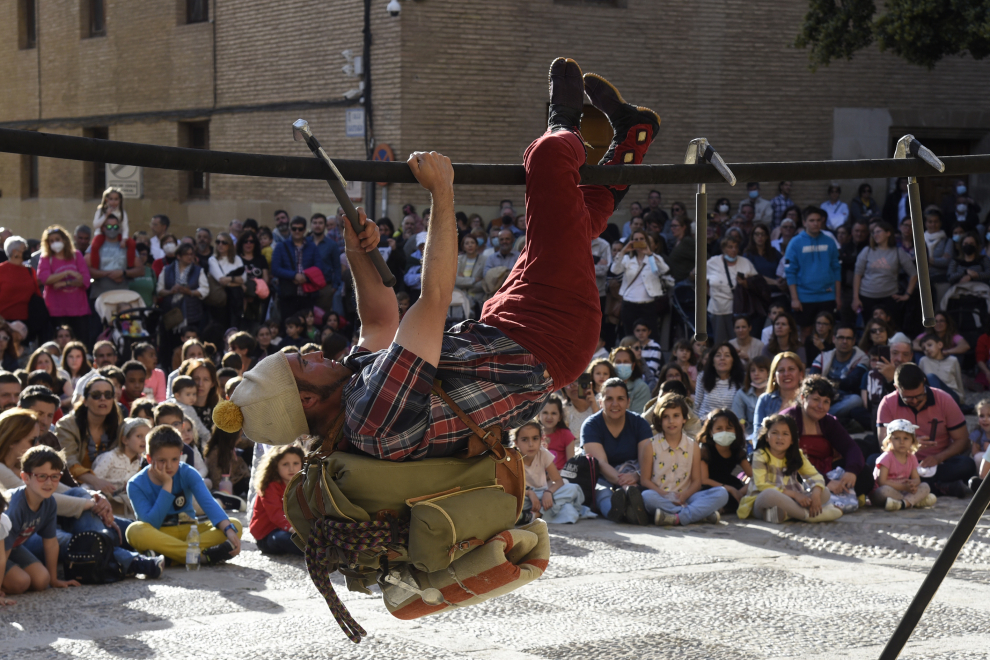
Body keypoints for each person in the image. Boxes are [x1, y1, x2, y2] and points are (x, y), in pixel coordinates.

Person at [125, 425, 243, 566]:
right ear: (149, 459)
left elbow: (208, 503)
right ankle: (200, 556)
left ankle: (169, 557)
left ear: (181, 455)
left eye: (174, 459)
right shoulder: (135, 484)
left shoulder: (188, 472)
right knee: (134, 531)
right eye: (162, 461)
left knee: (235, 525)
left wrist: (228, 530)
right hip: (161, 534)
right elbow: (152, 523)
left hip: (190, 532)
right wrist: (167, 485)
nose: (169, 466)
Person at [874, 363, 974, 498]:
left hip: (938, 463)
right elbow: (883, 446)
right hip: (901, 466)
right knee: (872, 462)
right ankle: (939, 487)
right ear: (896, 388)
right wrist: (910, 447)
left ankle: (919, 487)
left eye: (919, 396)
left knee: (966, 465)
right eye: (908, 398)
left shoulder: (943, 399)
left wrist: (938, 458)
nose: (915, 401)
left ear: (924, 383)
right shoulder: (887, 403)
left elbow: (962, 440)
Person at [638, 394, 728, 526]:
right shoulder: (650, 445)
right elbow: (644, 480)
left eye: (676, 416)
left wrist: (684, 496)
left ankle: (676, 517)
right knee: (647, 496)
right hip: (661, 497)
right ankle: (698, 515)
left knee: (722, 493)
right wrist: (665, 495)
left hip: (687, 497)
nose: (671, 421)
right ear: (660, 420)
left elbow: (697, 481)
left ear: (684, 419)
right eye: (666, 417)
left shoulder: (693, 447)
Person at [1, 446, 80, 594]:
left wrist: (54, 579)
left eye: (55, 476)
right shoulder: (16, 506)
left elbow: (50, 543)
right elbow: (1, 553)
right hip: (1, 549)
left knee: (42, 580)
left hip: (12, 548)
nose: (49, 483)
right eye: (42, 476)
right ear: (25, 478)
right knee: (21, 582)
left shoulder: (49, 502)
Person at [736, 414, 842, 522]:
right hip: (762, 501)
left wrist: (816, 493)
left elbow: (814, 475)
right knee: (769, 494)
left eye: (785, 434)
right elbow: (761, 485)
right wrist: (795, 495)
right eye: (774, 433)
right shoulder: (760, 455)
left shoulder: (797, 454)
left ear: (792, 440)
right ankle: (807, 516)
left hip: (791, 500)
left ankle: (786, 514)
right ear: (767, 437)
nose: (779, 437)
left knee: (825, 492)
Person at [580, 378, 655, 524]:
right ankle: (617, 512)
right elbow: (600, 463)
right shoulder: (590, 425)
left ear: (628, 401)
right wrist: (625, 484)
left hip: (635, 476)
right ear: (600, 402)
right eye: (609, 399)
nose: (615, 404)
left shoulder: (640, 423)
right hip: (602, 478)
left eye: (620, 399)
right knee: (604, 494)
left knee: (643, 492)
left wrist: (637, 476)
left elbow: (647, 460)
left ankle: (635, 511)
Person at [781, 376, 864, 497]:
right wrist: (824, 481)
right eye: (816, 399)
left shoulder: (829, 421)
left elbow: (850, 447)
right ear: (803, 398)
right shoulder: (788, 419)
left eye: (826, 402)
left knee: (863, 473)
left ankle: (836, 493)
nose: (820, 406)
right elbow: (790, 458)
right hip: (798, 470)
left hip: (826, 469)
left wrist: (851, 472)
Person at [784, 207, 841, 341]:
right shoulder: (795, 243)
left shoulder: (829, 241)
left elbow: (837, 269)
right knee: (806, 332)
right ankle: (806, 362)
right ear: (804, 222)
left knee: (827, 333)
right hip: (804, 297)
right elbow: (790, 272)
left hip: (827, 295)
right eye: (811, 220)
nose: (815, 223)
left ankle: (826, 361)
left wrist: (837, 297)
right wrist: (794, 299)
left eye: (818, 220)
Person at [56, 377, 120, 495]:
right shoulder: (67, 425)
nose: (102, 398)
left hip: (111, 487)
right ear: (85, 401)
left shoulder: (119, 426)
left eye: (108, 395)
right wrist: (96, 482)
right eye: (96, 395)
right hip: (72, 488)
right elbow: (68, 461)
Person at [514, 421, 585, 524]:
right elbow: (512, 487)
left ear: (541, 439)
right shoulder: (512, 458)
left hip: (543, 495)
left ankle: (535, 515)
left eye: (535, 438)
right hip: (524, 496)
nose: (530, 444)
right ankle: (536, 514)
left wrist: (548, 492)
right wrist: (529, 493)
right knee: (510, 500)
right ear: (516, 442)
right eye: (524, 440)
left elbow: (558, 481)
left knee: (573, 489)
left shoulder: (543, 454)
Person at [852, 221, 917, 322]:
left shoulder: (898, 252)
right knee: (869, 328)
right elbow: (857, 275)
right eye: (873, 232)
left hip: (889, 298)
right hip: (867, 297)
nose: (875, 235)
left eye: (878, 232)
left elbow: (913, 274)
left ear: (888, 233)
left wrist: (907, 294)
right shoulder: (867, 251)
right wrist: (855, 298)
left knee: (891, 328)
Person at [37, 225, 91, 342]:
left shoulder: (76, 255)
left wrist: (63, 283)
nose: (54, 243)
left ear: (64, 240)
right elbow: (45, 279)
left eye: (57, 239)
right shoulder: (46, 258)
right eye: (51, 241)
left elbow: (85, 279)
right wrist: (68, 272)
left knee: (80, 341)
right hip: (56, 310)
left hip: (78, 309)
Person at [249, 444, 305, 556]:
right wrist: (296, 530)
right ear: (275, 466)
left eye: (296, 463)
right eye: (285, 464)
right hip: (269, 533)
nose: (291, 468)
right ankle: (316, 552)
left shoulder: (303, 484)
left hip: (296, 530)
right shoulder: (270, 486)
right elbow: (276, 515)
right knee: (283, 539)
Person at [807, 324, 869, 423]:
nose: (844, 341)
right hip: (822, 395)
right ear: (833, 339)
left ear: (854, 341)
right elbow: (812, 379)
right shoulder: (823, 357)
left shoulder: (861, 358)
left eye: (848, 338)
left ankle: (819, 417)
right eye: (841, 338)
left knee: (856, 400)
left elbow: (851, 382)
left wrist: (825, 382)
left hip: (844, 399)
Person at [870, 419, 936, 510]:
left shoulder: (911, 457)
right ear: (889, 440)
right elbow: (882, 482)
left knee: (925, 486)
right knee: (884, 491)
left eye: (906, 438)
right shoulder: (886, 458)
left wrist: (913, 484)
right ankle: (914, 501)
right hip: (885, 492)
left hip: (904, 491)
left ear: (912, 441)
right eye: (897, 438)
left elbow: (917, 479)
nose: (902, 442)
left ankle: (903, 503)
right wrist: (904, 487)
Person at [698, 408, 752, 513]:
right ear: (710, 432)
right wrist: (730, 490)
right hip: (710, 486)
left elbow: (753, 475)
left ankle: (722, 508)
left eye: (729, 428)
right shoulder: (705, 449)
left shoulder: (737, 450)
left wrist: (740, 492)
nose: (724, 432)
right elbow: (704, 479)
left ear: (736, 430)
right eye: (719, 428)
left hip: (729, 482)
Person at [706, 235, 756, 345]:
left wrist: (745, 283)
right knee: (720, 343)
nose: (733, 250)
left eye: (736, 247)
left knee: (738, 341)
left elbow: (756, 284)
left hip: (738, 309)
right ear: (723, 248)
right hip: (717, 308)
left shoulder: (745, 262)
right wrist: (709, 293)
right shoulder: (712, 262)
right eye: (730, 247)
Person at [92, 417, 151, 508]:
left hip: (116, 502)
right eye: (139, 436)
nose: (144, 441)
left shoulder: (139, 462)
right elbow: (94, 481)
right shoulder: (110, 457)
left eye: (147, 437)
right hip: (97, 499)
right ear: (125, 440)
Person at [272, 216, 320, 321]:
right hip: (288, 294)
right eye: (294, 228)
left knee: (306, 327)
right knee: (288, 325)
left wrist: (305, 277)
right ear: (290, 229)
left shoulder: (312, 247)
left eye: (300, 229)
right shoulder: (281, 246)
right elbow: (275, 269)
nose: (297, 231)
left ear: (305, 230)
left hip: (307, 294)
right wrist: (293, 275)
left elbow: (318, 268)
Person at [751, 352, 805, 443]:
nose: (786, 374)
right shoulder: (765, 400)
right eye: (781, 370)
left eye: (791, 369)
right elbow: (758, 436)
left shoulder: (808, 400)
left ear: (801, 374)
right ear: (774, 377)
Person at [0, 236, 42, 339]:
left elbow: (37, 294)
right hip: (4, 322)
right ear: (15, 252)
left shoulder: (30, 270)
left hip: (27, 323)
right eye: (24, 249)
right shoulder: (1, 270)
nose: (27, 251)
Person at [693, 342, 743, 420]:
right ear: (712, 362)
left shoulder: (741, 380)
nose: (722, 358)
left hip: (730, 425)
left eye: (727, 355)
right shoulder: (703, 377)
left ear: (733, 361)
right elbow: (697, 405)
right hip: (705, 424)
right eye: (718, 355)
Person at [208, 232, 245, 329]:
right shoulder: (213, 260)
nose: (220, 245)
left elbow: (244, 279)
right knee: (222, 327)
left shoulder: (237, 259)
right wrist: (238, 283)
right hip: (222, 299)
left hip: (236, 300)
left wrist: (229, 279)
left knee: (235, 326)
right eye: (218, 242)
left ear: (230, 245)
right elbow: (221, 280)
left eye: (224, 242)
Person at [918, 333, 965, 402]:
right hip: (932, 395)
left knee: (931, 376)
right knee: (929, 378)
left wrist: (961, 399)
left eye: (930, 345)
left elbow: (959, 381)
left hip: (951, 396)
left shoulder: (952, 360)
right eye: (924, 348)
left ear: (940, 345)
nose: (927, 349)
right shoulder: (923, 361)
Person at [732, 355, 770, 437]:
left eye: (761, 370)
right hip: (749, 436)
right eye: (753, 370)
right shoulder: (741, 394)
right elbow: (738, 420)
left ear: (769, 372)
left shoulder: (775, 393)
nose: (756, 373)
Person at [610, 346, 651, 414]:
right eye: (618, 362)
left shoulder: (641, 388)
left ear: (633, 366)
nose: (622, 365)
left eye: (626, 362)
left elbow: (637, 418)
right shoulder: (605, 385)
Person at [539, 396, 575, 469]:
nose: (549, 417)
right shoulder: (533, 435)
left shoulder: (566, 435)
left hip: (561, 476)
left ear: (560, 417)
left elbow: (570, 465)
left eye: (554, 413)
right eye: (545, 413)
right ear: (538, 415)